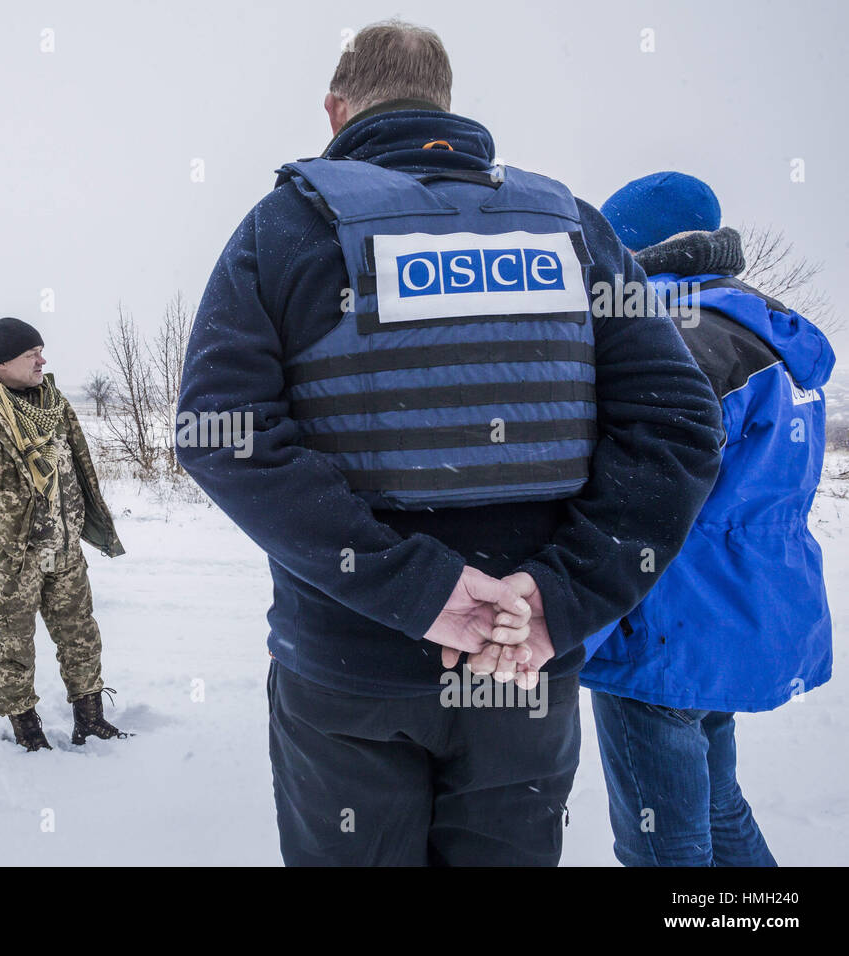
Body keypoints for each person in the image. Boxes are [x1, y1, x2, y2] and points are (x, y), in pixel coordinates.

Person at [176, 21, 724, 865]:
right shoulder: (568, 227)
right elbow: (679, 424)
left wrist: (416, 590)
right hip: (523, 668)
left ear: (336, 110)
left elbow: (223, 434)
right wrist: (561, 596)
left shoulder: (283, 229)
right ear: (446, 103)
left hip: (350, 672)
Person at [581, 172, 835, 866]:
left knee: (663, 843)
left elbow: (641, 501)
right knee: (719, 808)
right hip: (733, 619)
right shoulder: (761, 335)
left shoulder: (670, 338)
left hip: (664, 626)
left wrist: (572, 620)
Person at [0, 318, 127, 751]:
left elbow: (77, 467)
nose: (42, 359)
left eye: (41, 351)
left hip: (65, 548)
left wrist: (81, 528)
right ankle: (26, 730)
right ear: (2, 362)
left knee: (81, 634)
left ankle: (90, 718)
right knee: (15, 646)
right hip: (15, 557)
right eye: (31, 354)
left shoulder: (53, 403)